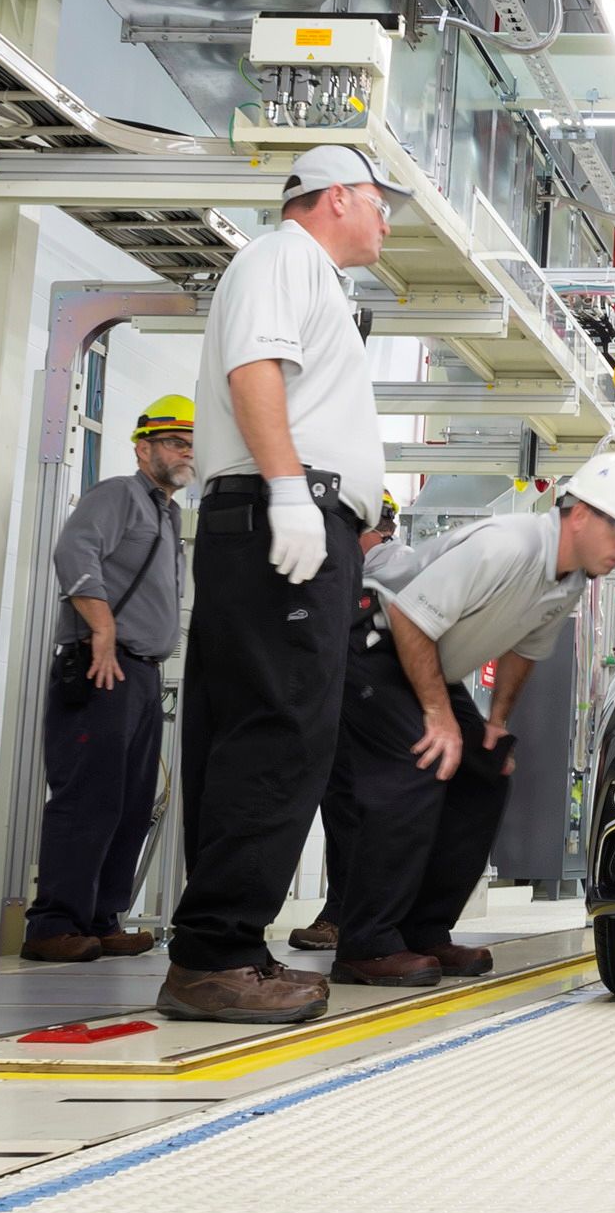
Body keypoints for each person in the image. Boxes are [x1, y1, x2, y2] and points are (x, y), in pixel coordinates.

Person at [160, 145, 402, 1026]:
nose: (387, 221)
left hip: (287, 519)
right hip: (282, 520)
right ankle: (214, 954)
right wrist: (291, 492)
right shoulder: (282, 257)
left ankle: (223, 945)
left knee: (261, 731)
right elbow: (253, 372)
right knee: (279, 731)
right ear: (336, 197)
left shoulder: (309, 276)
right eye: (379, 202)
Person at [323, 456, 615, 985]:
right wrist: (438, 716)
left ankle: (423, 930)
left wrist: (494, 723)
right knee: (419, 766)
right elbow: (407, 612)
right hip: (375, 643)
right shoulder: (509, 546)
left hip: (425, 659)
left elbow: (523, 649)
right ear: (580, 515)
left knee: (484, 771)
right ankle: (365, 943)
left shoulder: (569, 579)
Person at [21, 396, 195, 963]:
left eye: (192, 445)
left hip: (140, 673)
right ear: (144, 449)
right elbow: (74, 551)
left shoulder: (167, 514)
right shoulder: (119, 494)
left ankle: (101, 917)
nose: (186, 453)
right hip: (103, 663)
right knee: (87, 796)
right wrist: (101, 627)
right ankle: (53, 924)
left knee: (130, 801)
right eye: (175, 442)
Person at [293, 495, 403, 954]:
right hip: (343, 708)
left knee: (359, 814)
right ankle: (343, 912)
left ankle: (350, 916)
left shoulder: (393, 567)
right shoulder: (351, 567)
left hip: (376, 713)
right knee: (341, 810)